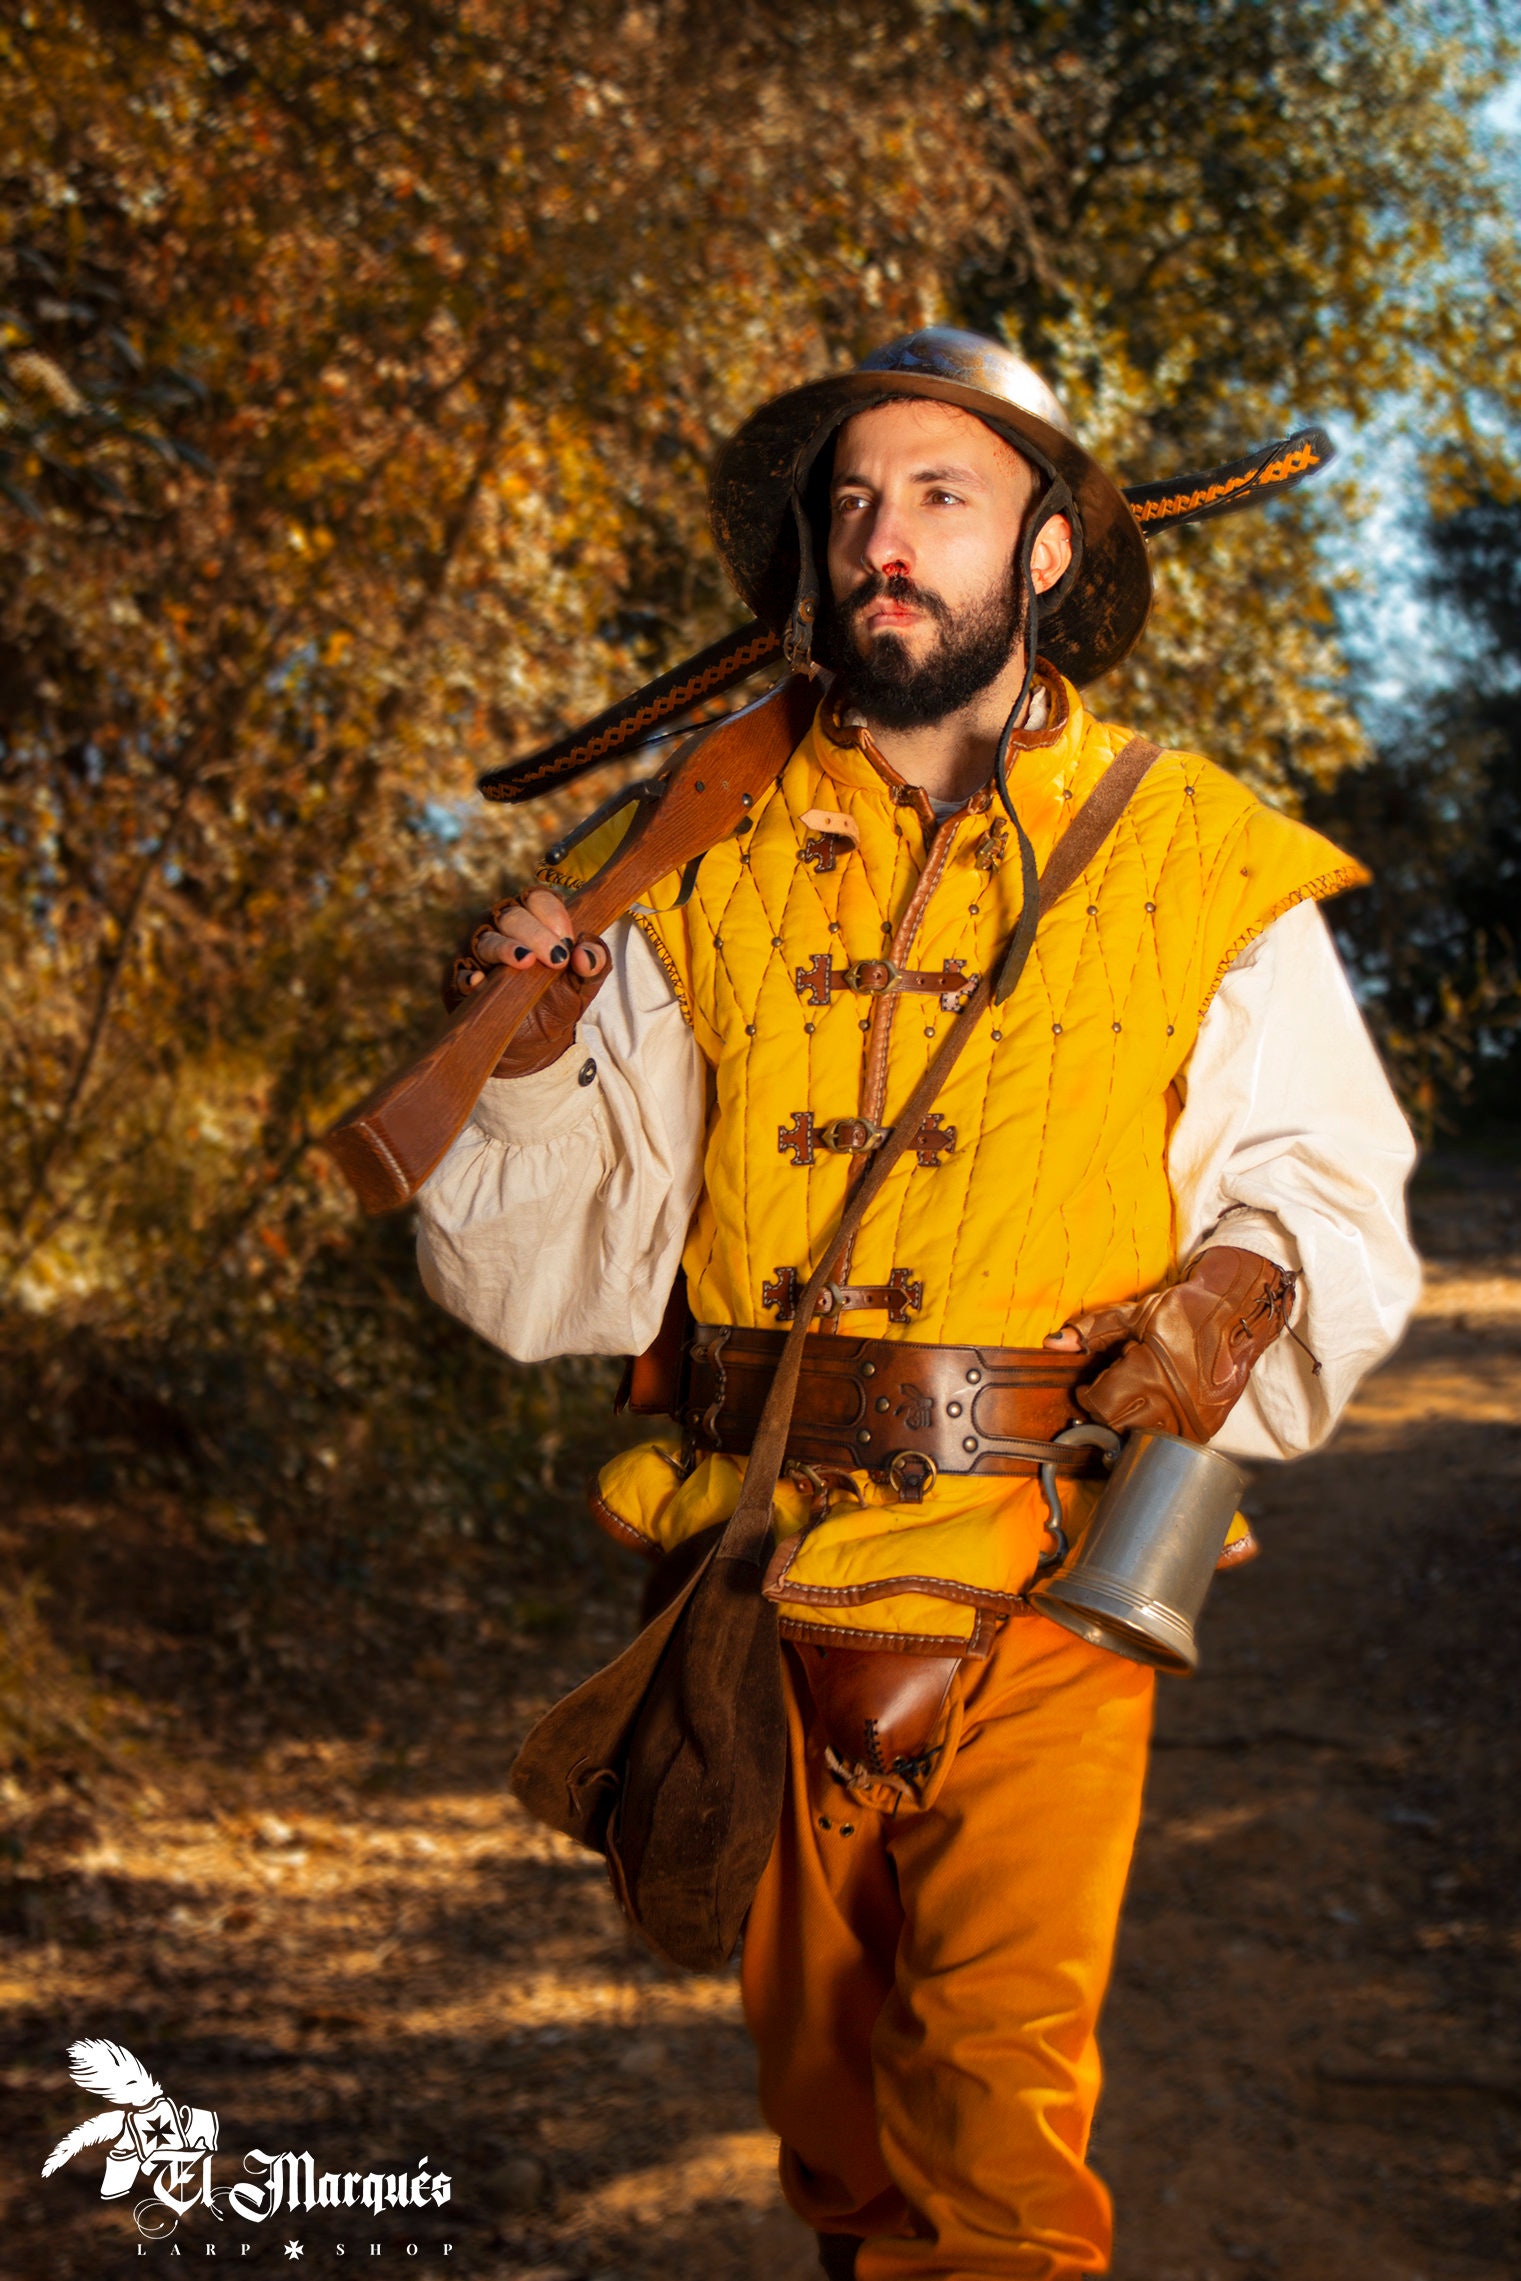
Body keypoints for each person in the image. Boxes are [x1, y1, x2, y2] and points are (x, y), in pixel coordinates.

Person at [414, 331, 1421, 2280]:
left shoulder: (1193, 852)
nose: (884, 539)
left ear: (1041, 555)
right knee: (837, 2137)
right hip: (756, 1576)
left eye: (939, 496)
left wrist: (1228, 1290)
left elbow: (1319, 1182)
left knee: (994, 2141)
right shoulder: (691, 858)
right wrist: (532, 1050)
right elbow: (564, 1269)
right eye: (853, 504)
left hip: (1054, 1581)